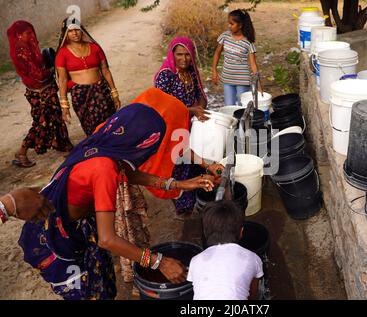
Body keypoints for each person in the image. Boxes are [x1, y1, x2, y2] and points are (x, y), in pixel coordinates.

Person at [14, 98, 217, 300]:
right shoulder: (103, 169)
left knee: (104, 279)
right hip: (54, 238)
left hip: (75, 224)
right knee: (90, 294)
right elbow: (107, 239)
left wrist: (179, 184)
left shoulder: (101, 145)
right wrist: (159, 262)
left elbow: (127, 173)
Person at [133, 86, 223, 216]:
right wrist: (183, 185)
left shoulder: (159, 125)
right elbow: (152, 180)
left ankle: (185, 207)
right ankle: (184, 210)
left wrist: (208, 166)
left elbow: (181, 148)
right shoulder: (136, 150)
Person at [7, 21, 73, 168]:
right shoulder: (20, 51)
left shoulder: (30, 46)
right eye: (27, 33)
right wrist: (55, 68)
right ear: (18, 35)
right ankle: (22, 152)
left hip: (47, 87)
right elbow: (37, 74)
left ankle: (65, 145)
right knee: (42, 123)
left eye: (31, 32)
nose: (31, 36)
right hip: (38, 91)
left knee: (56, 116)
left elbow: (41, 64)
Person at [187, 200, 264, 300]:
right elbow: (253, 294)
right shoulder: (253, 258)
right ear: (241, 232)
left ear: (205, 233)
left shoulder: (195, 261)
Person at [55, 17, 119, 136]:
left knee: (111, 126)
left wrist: (114, 93)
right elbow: (62, 80)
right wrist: (65, 105)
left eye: (77, 29)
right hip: (81, 96)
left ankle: (114, 152)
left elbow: (105, 71)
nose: (74, 33)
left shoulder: (95, 47)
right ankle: (99, 152)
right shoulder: (62, 54)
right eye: (70, 30)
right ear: (65, 34)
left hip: (101, 91)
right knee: (93, 130)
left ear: (82, 30)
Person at [212, 9, 262, 106]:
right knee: (229, 106)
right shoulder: (225, 36)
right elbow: (217, 53)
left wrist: (259, 85)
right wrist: (214, 71)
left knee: (241, 106)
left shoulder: (248, 42)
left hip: (242, 80)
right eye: (229, 23)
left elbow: (253, 64)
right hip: (227, 79)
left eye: (232, 24)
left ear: (240, 25)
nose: (229, 26)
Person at [154, 36, 209, 120]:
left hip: (191, 119)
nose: (184, 59)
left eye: (187, 54)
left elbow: (200, 93)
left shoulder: (191, 70)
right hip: (171, 121)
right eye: (179, 54)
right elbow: (163, 105)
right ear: (172, 55)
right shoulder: (165, 75)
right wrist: (190, 111)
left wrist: (200, 109)